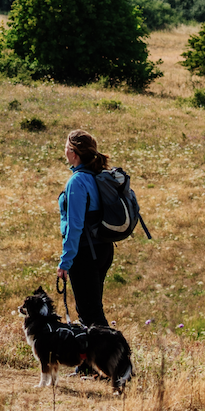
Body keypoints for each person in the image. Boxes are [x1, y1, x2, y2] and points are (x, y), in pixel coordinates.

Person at [55, 128, 115, 328]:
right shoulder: (97, 176)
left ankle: (118, 358)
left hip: (85, 254)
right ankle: (91, 360)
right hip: (103, 249)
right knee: (92, 310)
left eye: (66, 147)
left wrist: (65, 261)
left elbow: (75, 226)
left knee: (91, 316)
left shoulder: (77, 182)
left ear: (73, 153)